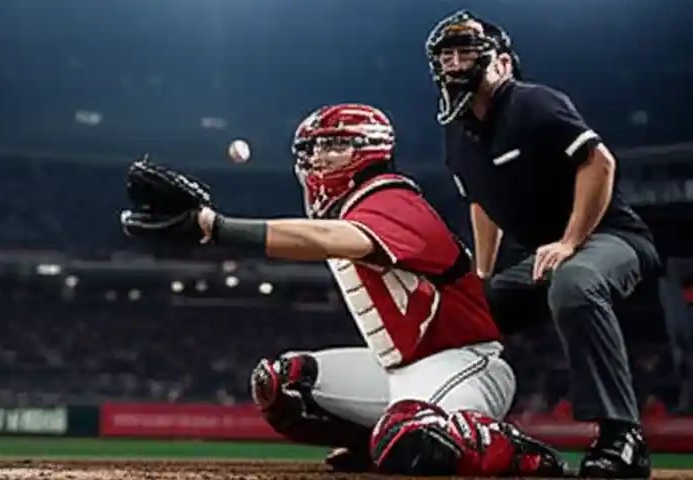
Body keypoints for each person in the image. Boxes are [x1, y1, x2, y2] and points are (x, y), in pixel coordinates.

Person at [120, 104, 567, 477]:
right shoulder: (359, 204)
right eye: (312, 149)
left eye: (334, 145)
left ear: (370, 151)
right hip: (401, 370)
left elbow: (333, 239)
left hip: (464, 362)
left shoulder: (391, 198)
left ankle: (527, 458)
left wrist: (213, 227)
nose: (317, 158)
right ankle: (380, 444)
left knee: (410, 441)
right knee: (284, 384)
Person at [426, 10, 663, 478]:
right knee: (463, 313)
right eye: (446, 54)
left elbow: (599, 163)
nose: (455, 63)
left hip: (613, 239)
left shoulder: (534, 103)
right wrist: (482, 276)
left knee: (572, 283)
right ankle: (440, 427)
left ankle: (622, 437)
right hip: (546, 257)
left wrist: (571, 241)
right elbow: (481, 205)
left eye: (468, 52)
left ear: (503, 64)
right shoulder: (456, 134)